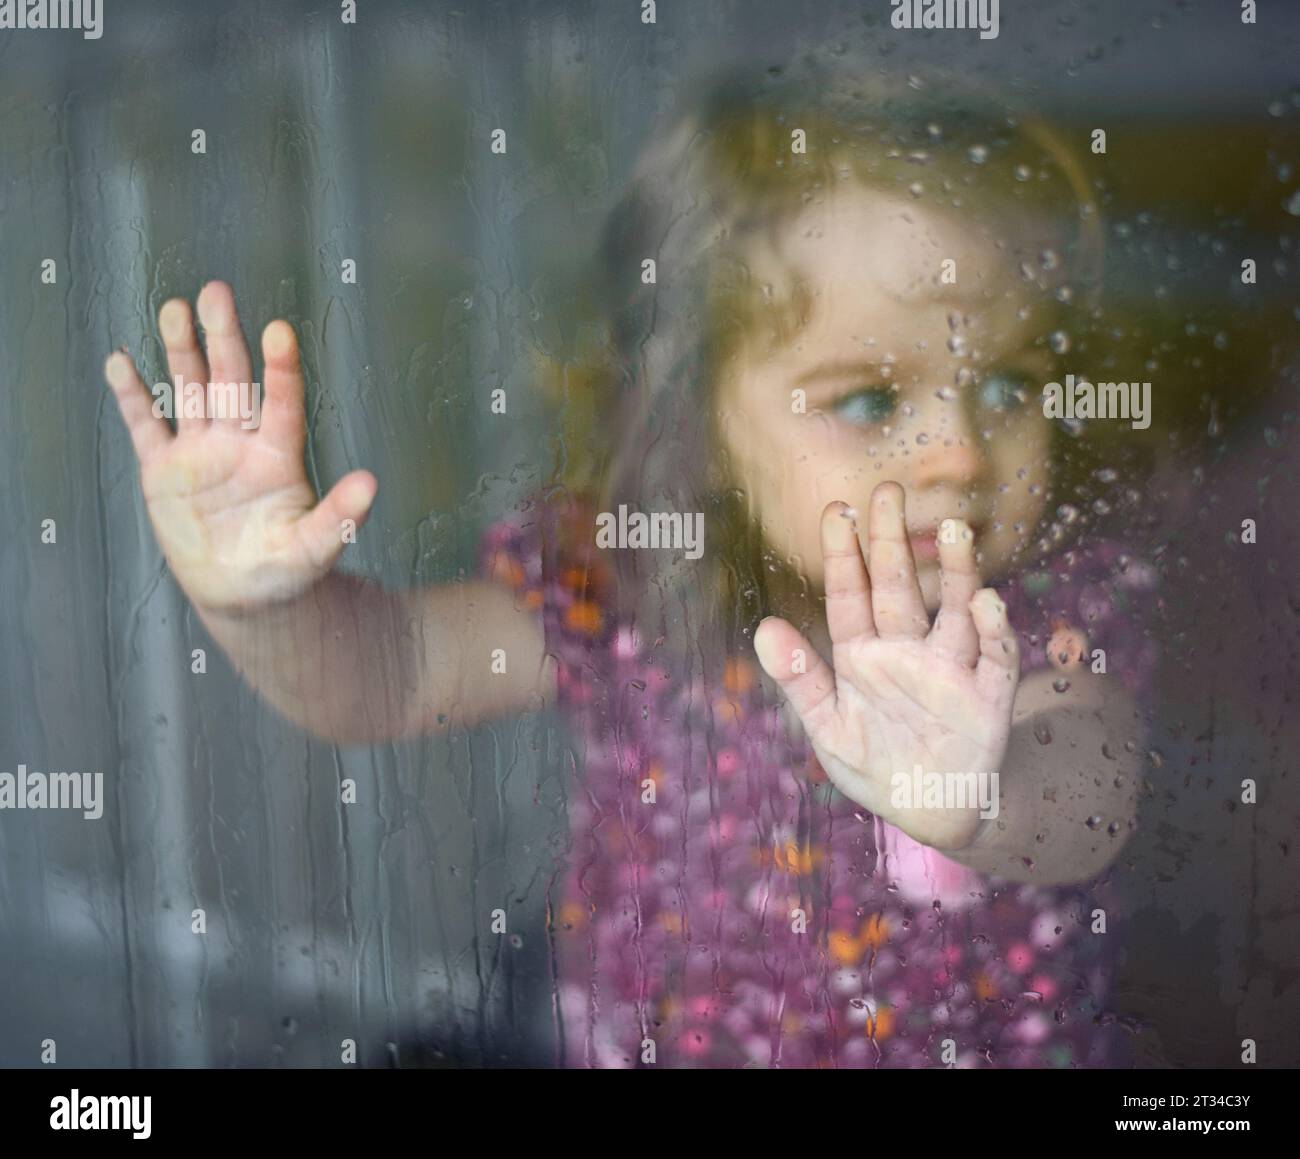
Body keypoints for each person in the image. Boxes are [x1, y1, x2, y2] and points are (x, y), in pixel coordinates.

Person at [103, 65, 1159, 1067]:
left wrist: (978, 796)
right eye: (871, 400)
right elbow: (390, 671)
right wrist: (263, 604)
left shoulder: (1044, 608)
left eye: (1010, 385)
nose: (962, 453)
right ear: (692, 417)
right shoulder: (634, 587)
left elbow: (1088, 790)